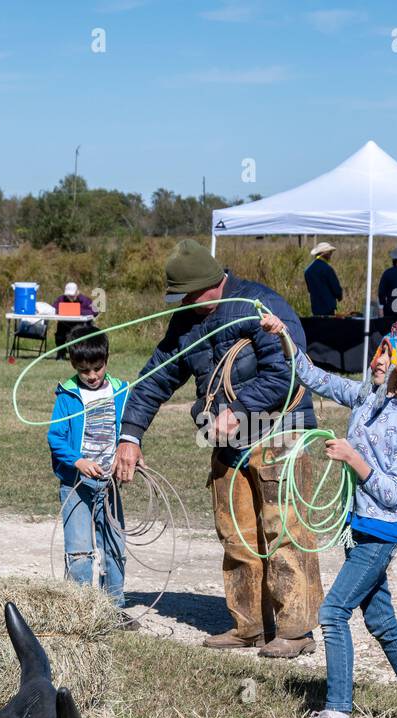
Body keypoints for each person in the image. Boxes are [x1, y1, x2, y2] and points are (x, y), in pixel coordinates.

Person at [112, 239, 324, 659]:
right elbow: (154, 378)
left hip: (278, 432)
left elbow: (289, 371)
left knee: (283, 530)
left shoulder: (260, 306)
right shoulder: (187, 321)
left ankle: (295, 629)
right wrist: (130, 436)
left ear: (209, 286)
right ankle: (250, 625)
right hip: (227, 440)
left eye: (187, 296)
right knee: (235, 531)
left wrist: (241, 409)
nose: (183, 304)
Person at [259, 309, 397, 718]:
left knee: (334, 612)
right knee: (379, 619)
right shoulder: (367, 398)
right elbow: (314, 376)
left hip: (379, 534)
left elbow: (393, 494)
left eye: (387, 355)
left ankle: (337, 711)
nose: (376, 359)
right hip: (358, 529)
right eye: (379, 351)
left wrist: (354, 459)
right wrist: (283, 335)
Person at [47, 324, 135, 626]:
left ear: (107, 360)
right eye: (85, 370)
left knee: (114, 545)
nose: (93, 375)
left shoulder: (121, 391)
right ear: (74, 365)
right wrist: (78, 461)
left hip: (108, 485)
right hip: (76, 485)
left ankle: (114, 609)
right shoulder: (68, 396)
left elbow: (129, 432)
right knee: (80, 551)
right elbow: (56, 437)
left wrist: (133, 454)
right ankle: (80, 610)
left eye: (97, 368)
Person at [52, 282, 99, 358]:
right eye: (68, 295)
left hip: (80, 325)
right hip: (65, 324)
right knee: (59, 334)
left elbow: (95, 311)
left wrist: (79, 311)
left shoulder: (86, 300)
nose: (70, 297)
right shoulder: (61, 299)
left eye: (72, 295)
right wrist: (63, 311)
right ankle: (61, 353)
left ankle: (80, 354)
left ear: (77, 292)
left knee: (80, 333)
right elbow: (53, 309)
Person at [304, 241, 343, 317]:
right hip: (328, 308)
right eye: (330, 252)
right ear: (326, 254)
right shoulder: (327, 269)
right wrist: (339, 296)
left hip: (315, 307)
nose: (331, 254)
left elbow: (309, 289)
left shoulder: (308, 271)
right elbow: (336, 289)